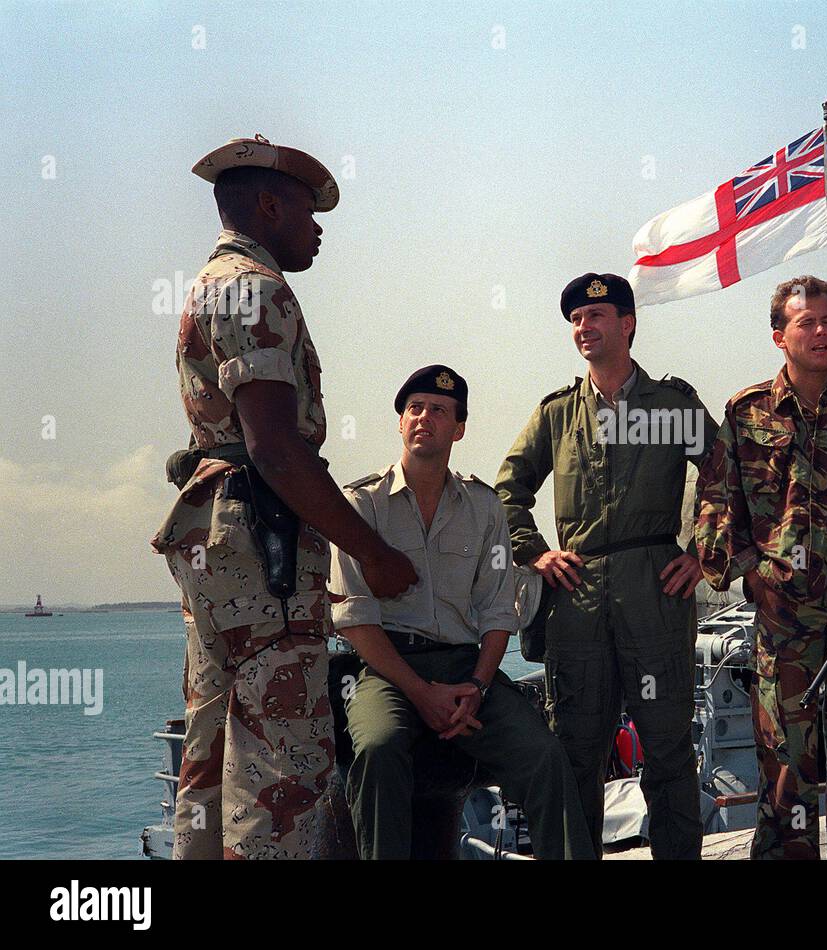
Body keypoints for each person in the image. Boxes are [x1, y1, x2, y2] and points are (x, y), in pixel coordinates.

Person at [151, 134, 417, 859]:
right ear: (269, 206)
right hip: (261, 549)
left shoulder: (210, 282)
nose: (318, 227)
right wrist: (373, 552)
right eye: (307, 209)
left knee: (210, 751)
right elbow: (274, 447)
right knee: (283, 767)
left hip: (222, 541)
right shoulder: (256, 288)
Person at [494, 272, 718, 860]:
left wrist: (703, 552)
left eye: (595, 317)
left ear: (627, 324)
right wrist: (533, 551)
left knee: (668, 750)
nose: (583, 328)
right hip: (578, 598)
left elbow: (728, 478)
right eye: (575, 321)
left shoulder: (671, 404)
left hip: (656, 593)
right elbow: (507, 490)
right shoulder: (557, 415)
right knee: (575, 752)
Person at [330, 365, 594, 860]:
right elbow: (357, 620)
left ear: (459, 428)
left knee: (544, 756)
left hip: (465, 667)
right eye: (414, 408)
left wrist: (476, 686)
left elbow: (498, 611)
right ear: (400, 422)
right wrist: (421, 694)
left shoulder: (483, 506)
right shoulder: (361, 505)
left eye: (438, 410)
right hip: (389, 670)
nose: (424, 417)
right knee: (378, 751)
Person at [696, 275, 827, 859]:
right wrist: (745, 569)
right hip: (785, 628)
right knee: (785, 777)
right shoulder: (744, 413)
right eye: (805, 322)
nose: (820, 332)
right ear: (778, 336)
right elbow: (715, 505)